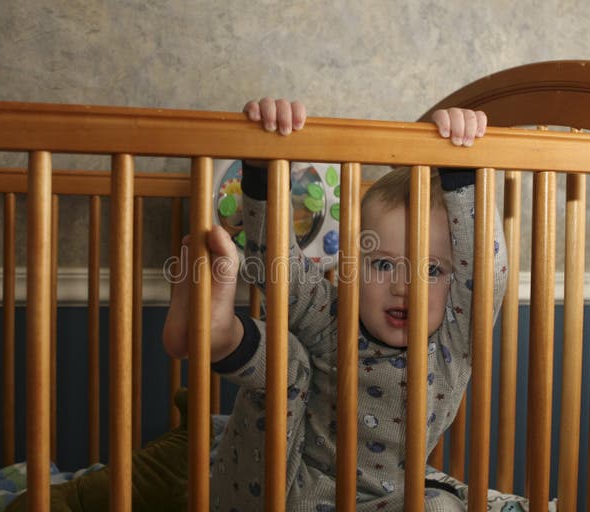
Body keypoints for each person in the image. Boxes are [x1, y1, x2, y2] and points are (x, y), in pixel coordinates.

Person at [162, 98, 508, 511]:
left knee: (439, 506)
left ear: (459, 281)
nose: (404, 287)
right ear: (352, 266)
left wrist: (462, 166)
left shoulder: (454, 344)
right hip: (270, 487)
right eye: (383, 264)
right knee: (289, 359)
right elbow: (276, 263)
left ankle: (219, 332)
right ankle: (216, 333)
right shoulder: (332, 316)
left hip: (375, 504)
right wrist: (264, 167)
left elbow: (488, 273)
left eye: (432, 270)